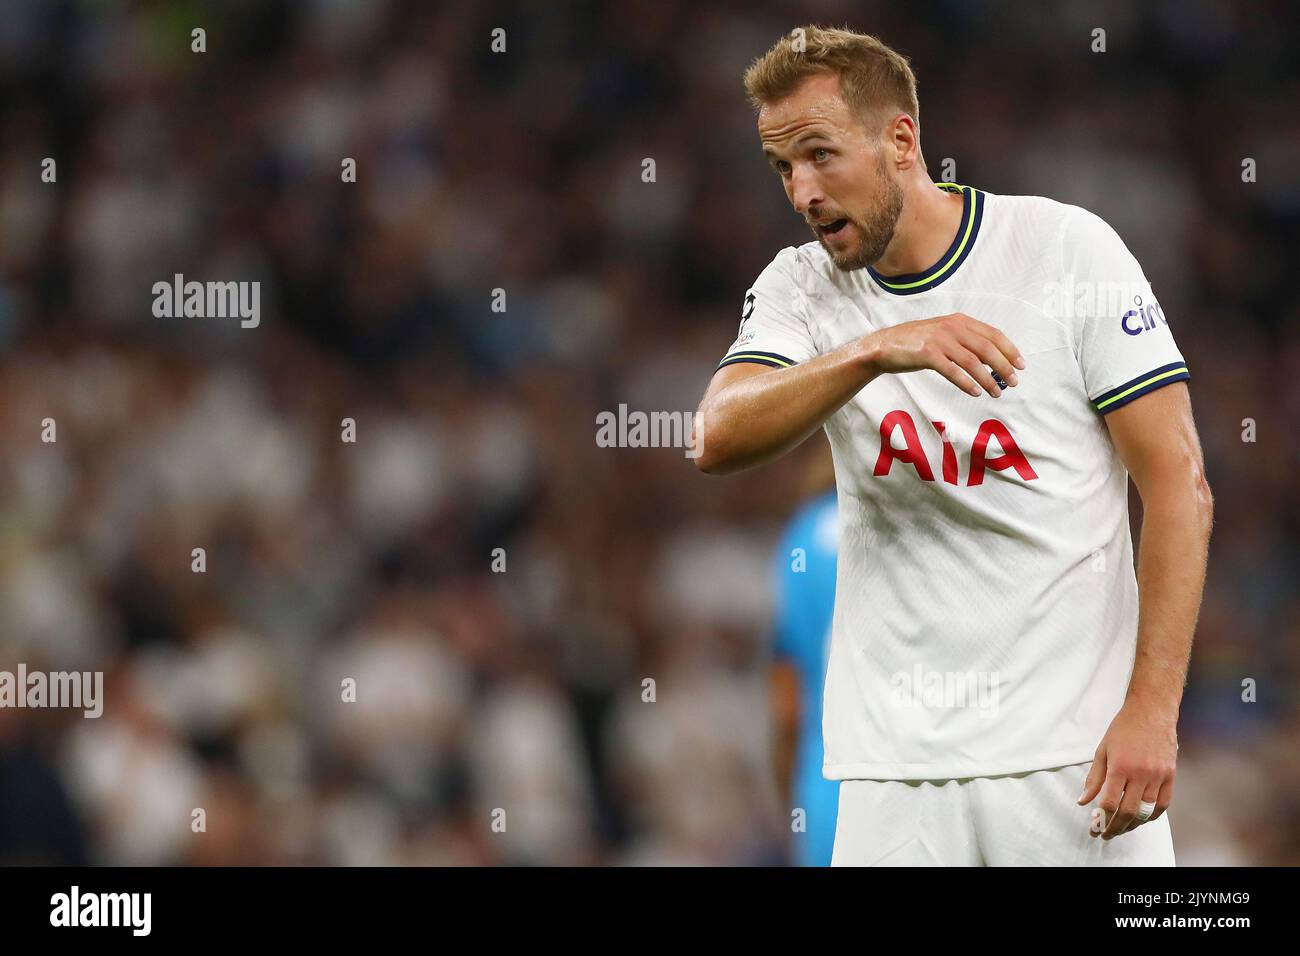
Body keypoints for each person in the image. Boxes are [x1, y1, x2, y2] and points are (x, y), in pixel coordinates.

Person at [694, 26, 1213, 865]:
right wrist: (876, 348)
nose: (802, 191)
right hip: (889, 774)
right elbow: (716, 434)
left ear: (901, 140)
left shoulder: (1064, 250)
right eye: (782, 167)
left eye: (821, 155)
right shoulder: (802, 286)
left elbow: (1178, 482)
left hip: (1072, 761)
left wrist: (1153, 709)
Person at [770, 455, 839, 866]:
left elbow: (787, 707)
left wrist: (793, 799)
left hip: (826, 785)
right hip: (920, 778)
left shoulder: (802, 537)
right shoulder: (920, 518)